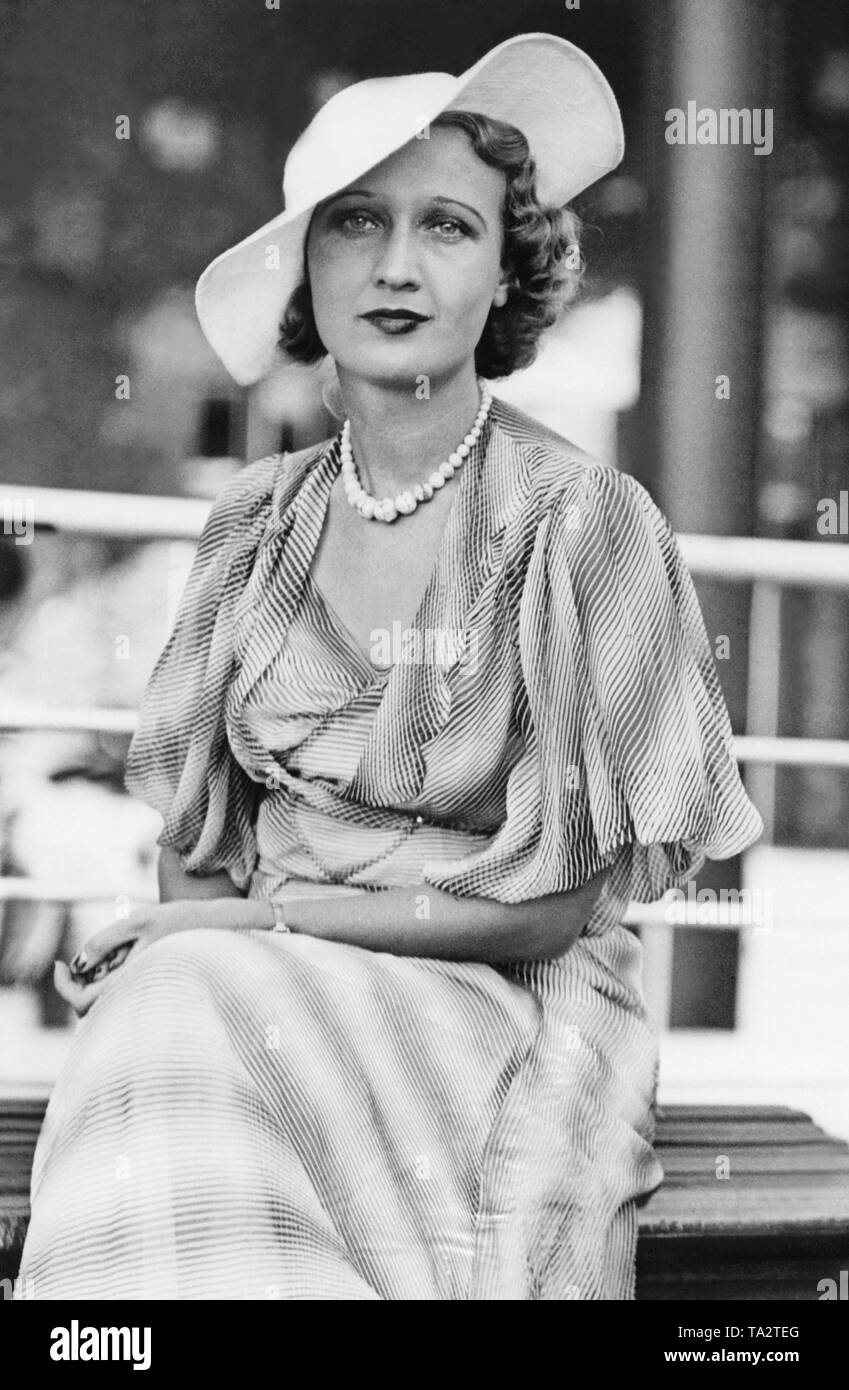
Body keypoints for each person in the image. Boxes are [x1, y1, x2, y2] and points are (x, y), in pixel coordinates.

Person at [19, 33, 762, 1300]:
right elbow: (196, 849)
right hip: (264, 1002)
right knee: (170, 1028)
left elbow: (552, 908)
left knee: (181, 997)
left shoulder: (584, 524)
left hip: (506, 1010)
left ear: (508, 274)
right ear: (307, 266)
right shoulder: (255, 525)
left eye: (449, 228)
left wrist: (253, 923)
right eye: (357, 224)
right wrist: (218, 933)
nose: (398, 266)